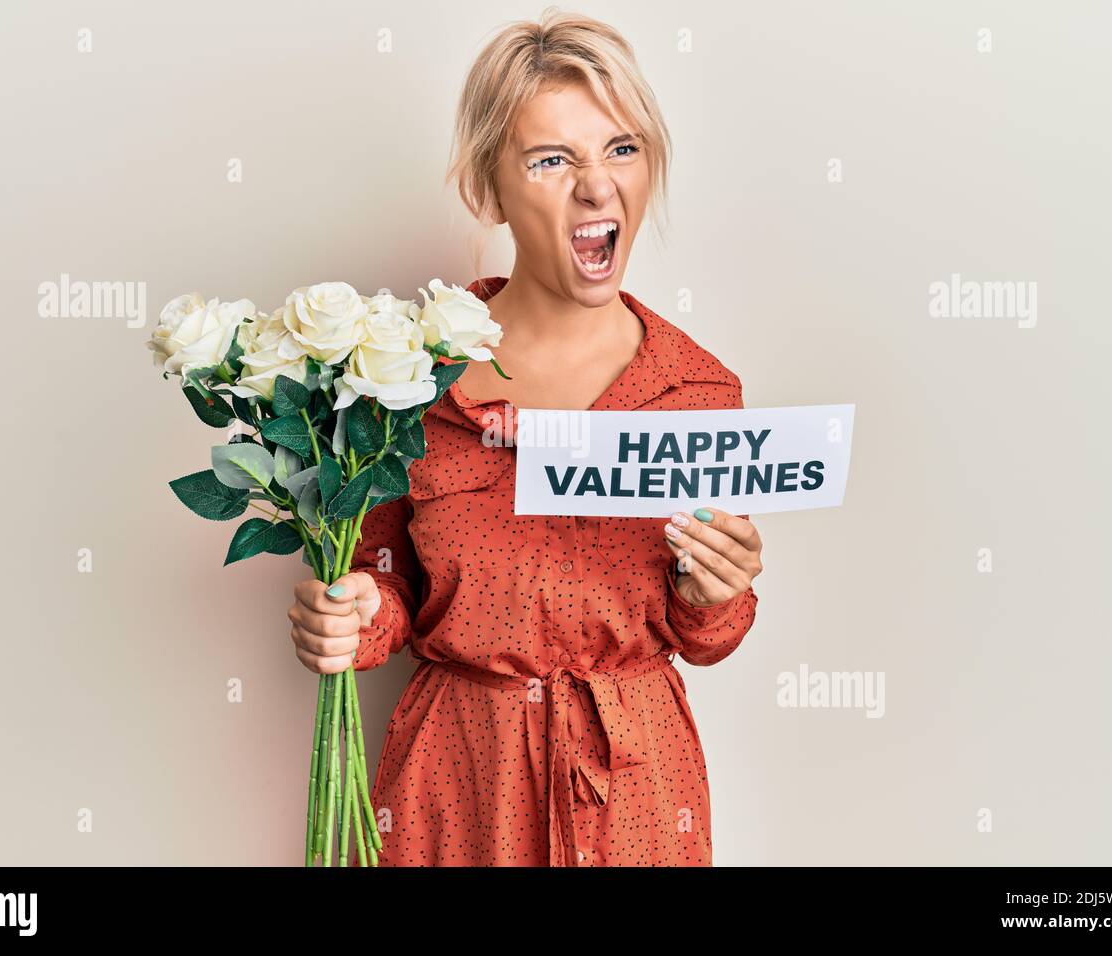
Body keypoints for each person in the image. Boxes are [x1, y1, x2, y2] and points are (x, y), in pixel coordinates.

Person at [286, 8, 763, 866]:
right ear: (487, 189)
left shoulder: (697, 392)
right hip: (455, 781)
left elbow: (708, 638)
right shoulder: (406, 382)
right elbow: (386, 586)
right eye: (552, 159)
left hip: (636, 788)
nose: (596, 187)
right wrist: (356, 613)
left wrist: (715, 594)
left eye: (622, 149)